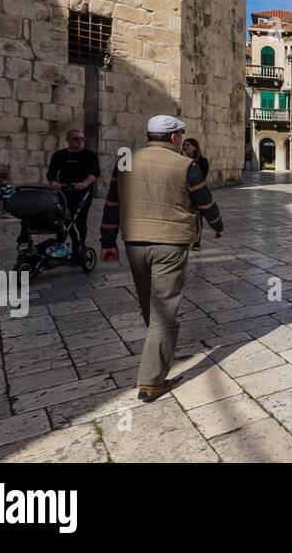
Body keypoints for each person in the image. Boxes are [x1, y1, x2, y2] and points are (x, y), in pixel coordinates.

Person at [99, 115, 224, 403]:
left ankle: (157, 348)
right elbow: (205, 201)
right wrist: (217, 225)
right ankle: (152, 382)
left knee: (151, 306)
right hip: (171, 243)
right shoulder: (185, 165)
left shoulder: (126, 161)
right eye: (181, 133)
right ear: (173, 138)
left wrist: (107, 240)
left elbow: (112, 204)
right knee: (164, 312)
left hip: (134, 243)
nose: (182, 138)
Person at [47, 129, 100, 243]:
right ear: (68, 140)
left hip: (83, 193)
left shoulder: (90, 155)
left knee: (80, 221)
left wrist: (84, 183)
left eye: (82, 138)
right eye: (76, 139)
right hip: (64, 192)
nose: (79, 141)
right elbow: (51, 173)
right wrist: (53, 182)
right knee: (63, 220)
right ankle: (62, 245)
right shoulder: (59, 155)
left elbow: (94, 173)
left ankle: (80, 246)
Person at [182, 138, 209, 250]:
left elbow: (202, 177)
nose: (185, 147)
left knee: (197, 218)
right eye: (184, 145)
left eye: (187, 145)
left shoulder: (203, 161)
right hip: (183, 192)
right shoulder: (181, 160)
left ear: (194, 147)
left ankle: (197, 242)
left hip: (196, 193)